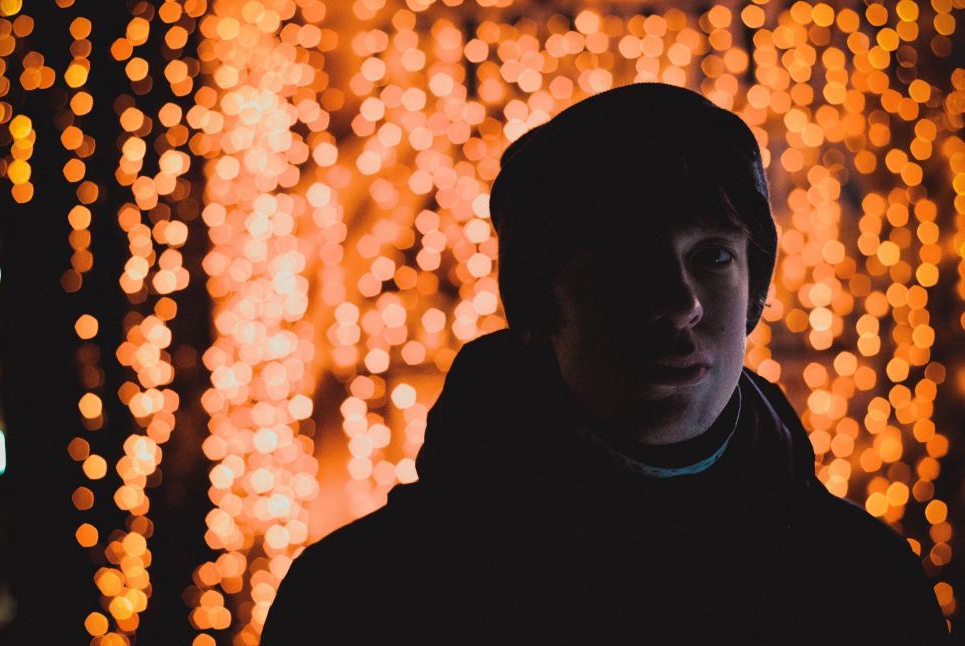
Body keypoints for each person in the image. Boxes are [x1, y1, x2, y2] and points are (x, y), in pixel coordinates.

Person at [263, 83, 949, 644]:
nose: (678, 305)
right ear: (538, 302)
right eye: (625, 262)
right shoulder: (370, 599)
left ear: (754, 292)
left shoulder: (859, 586)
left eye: (711, 256)